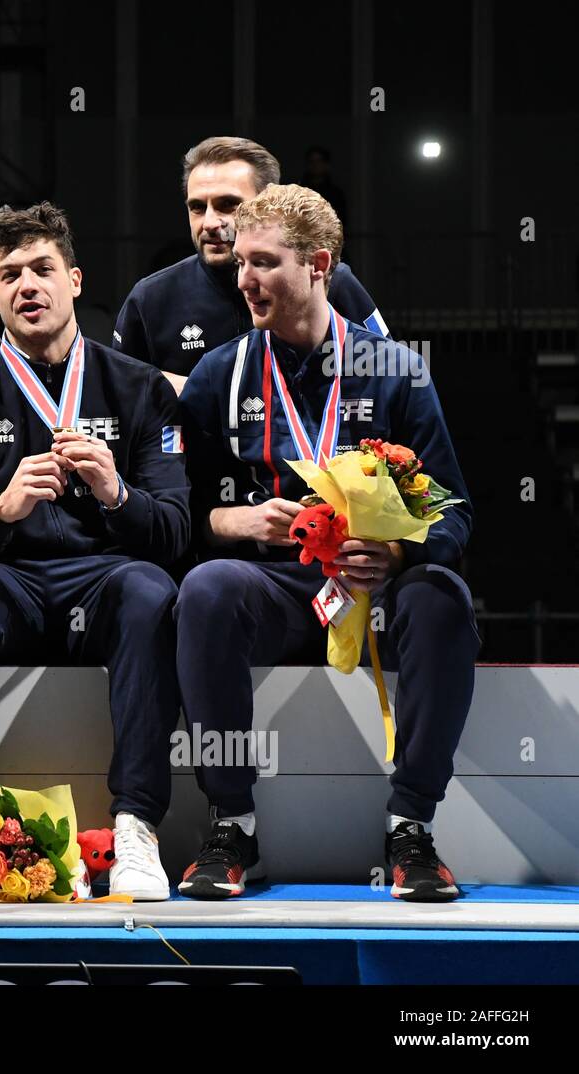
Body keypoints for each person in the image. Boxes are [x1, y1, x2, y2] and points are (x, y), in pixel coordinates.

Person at [175, 184, 477, 902]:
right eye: (241, 263)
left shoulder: (396, 370)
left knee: (442, 598)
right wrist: (233, 522)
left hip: (378, 585)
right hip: (276, 586)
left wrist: (399, 553)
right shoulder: (220, 375)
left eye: (265, 262)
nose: (245, 279)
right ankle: (232, 823)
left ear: (319, 264)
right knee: (206, 588)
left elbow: (454, 512)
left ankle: (412, 827)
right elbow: (174, 513)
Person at [0, 203, 190, 901]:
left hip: (106, 576)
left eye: (42, 269)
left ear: (74, 280)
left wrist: (115, 492)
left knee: (151, 592)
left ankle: (135, 828)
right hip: (6, 577)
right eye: (9, 275)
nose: (26, 286)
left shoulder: (139, 387)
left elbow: (174, 533)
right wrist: (0, 511)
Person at [113, 136, 386, 394]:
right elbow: (119, 394)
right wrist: (164, 390)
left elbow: (390, 376)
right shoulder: (151, 299)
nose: (209, 223)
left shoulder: (328, 281)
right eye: (197, 207)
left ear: (266, 202)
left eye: (228, 205)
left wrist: (204, 391)